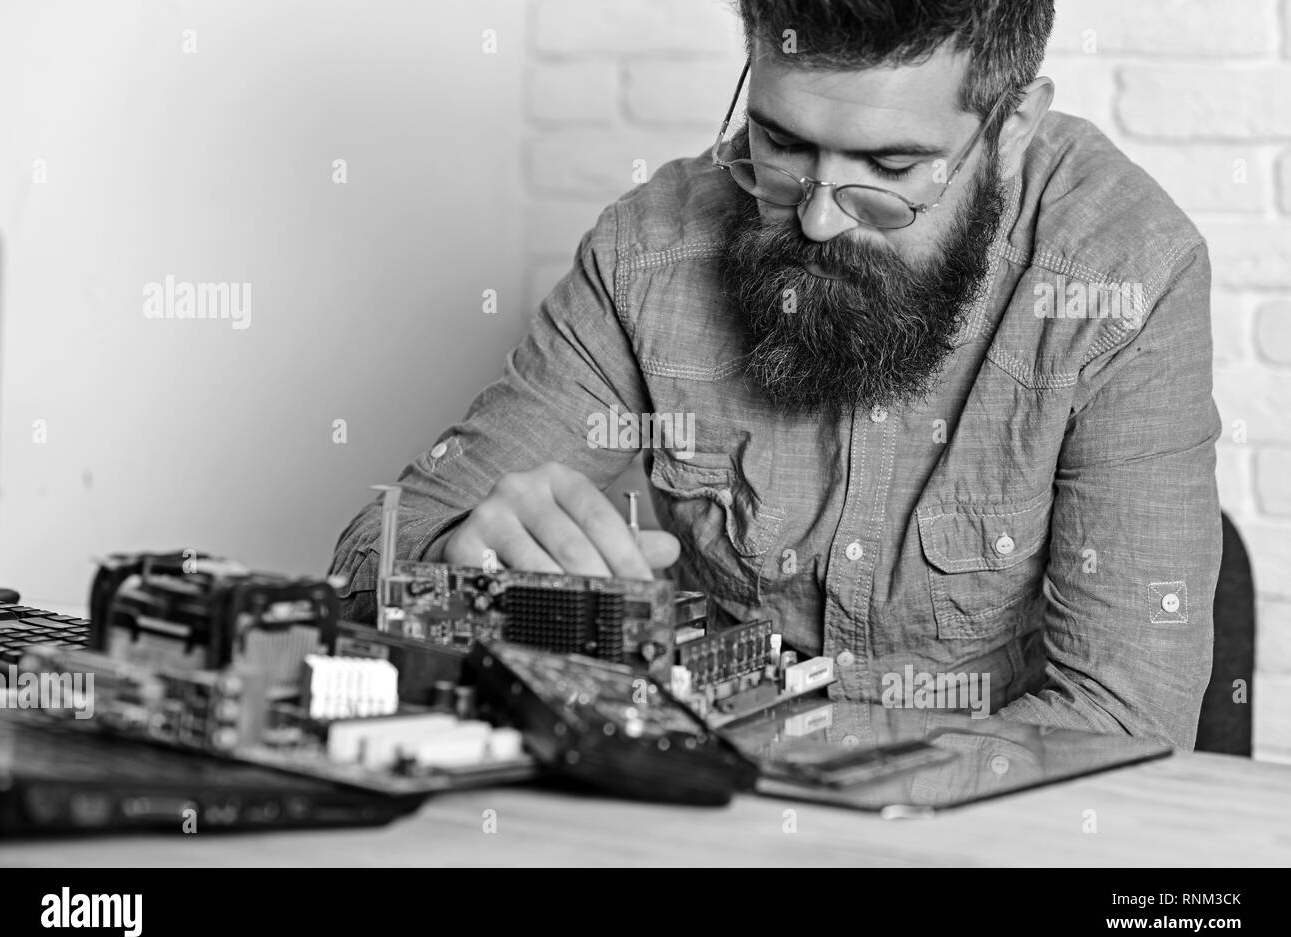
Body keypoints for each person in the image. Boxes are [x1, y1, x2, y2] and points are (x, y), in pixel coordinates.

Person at [330, 0, 1220, 750]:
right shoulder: (649, 252)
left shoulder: (1122, 275)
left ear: (1012, 124)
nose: (821, 220)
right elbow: (372, 556)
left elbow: (1122, 724)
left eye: (891, 168)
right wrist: (455, 562)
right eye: (781, 144)